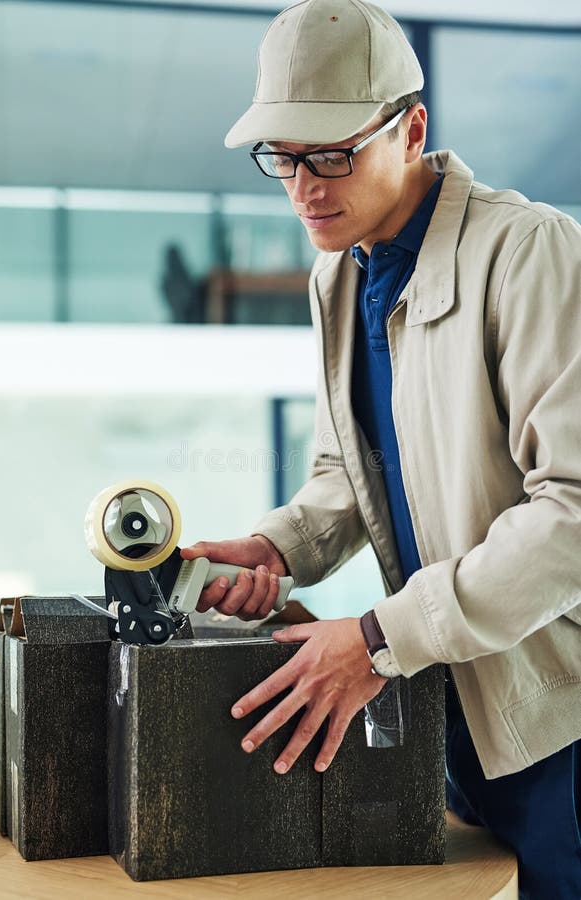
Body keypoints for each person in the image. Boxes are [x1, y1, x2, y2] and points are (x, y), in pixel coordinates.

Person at [181, 1, 581, 896]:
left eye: (330, 154)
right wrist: (279, 547)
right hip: (459, 708)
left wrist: (373, 638)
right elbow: (347, 469)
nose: (303, 188)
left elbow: (573, 513)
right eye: (281, 157)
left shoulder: (530, 254)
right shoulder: (343, 272)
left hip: (560, 713)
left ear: (412, 129)